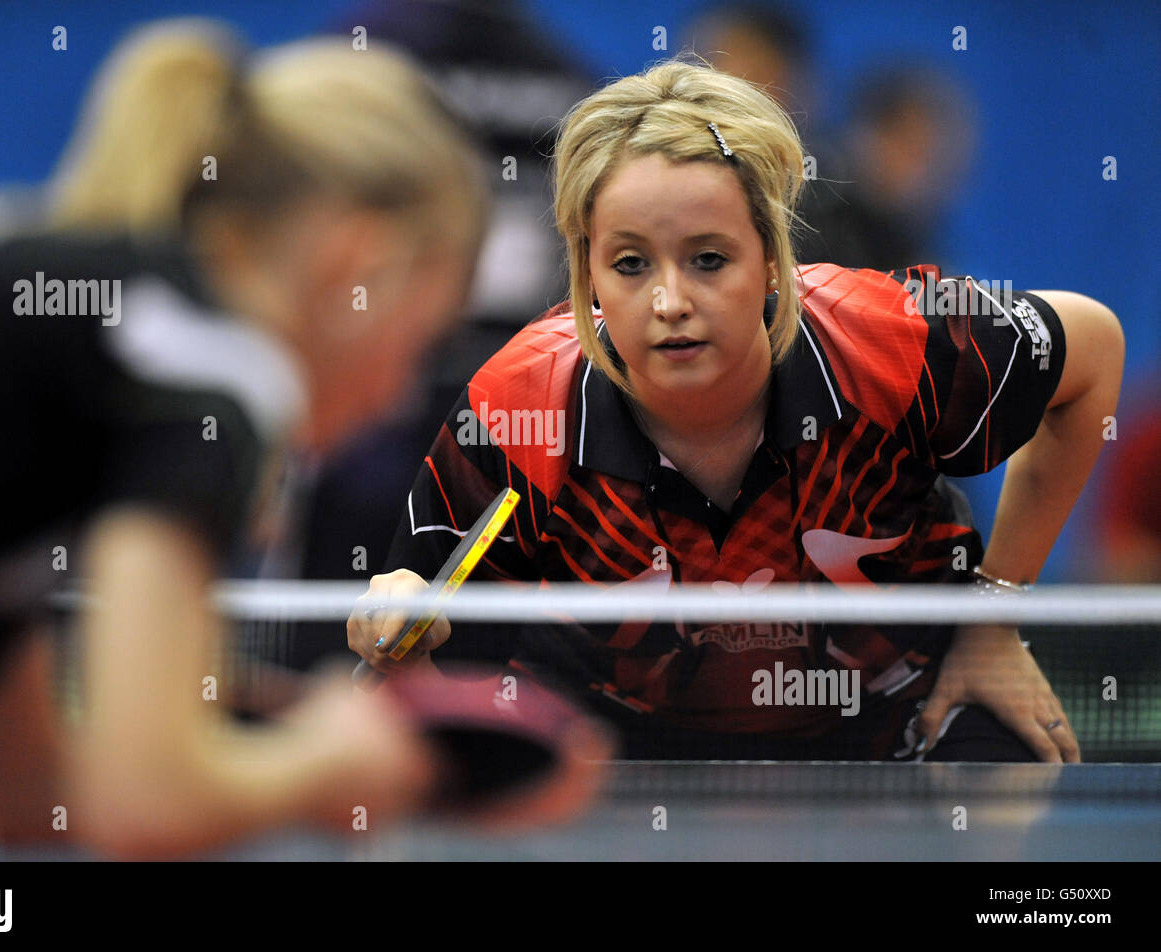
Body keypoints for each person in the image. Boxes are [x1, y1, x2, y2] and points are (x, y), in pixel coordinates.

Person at [348, 54, 1125, 764]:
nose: (670, 302)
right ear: (585, 273)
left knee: (1016, 781)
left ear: (773, 261)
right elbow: (408, 629)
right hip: (612, 754)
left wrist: (994, 618)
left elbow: (1093, 349)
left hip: (898, 721)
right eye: (628, 264)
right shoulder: (519, 405)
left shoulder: (895, 342)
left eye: (709, 259)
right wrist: (396, 619)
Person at [0, 22, 492, 857]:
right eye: (420, 345)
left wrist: (258, 736)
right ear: (356, 269)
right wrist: (337, 756)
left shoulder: (21, 389)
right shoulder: (215, 365)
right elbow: (146, 805)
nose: (400, 398)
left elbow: (30, 806)